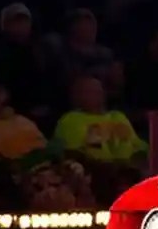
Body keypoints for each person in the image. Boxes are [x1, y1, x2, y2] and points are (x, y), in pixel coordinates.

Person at [53, 74, 148, 203]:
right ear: (76, 96)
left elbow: (138, 146)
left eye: (98, 91)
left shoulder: (118, 117)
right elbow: (72, 153)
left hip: (129, 168)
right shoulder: (70, 120)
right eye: (88, 91)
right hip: (98, 172)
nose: (95, 95)